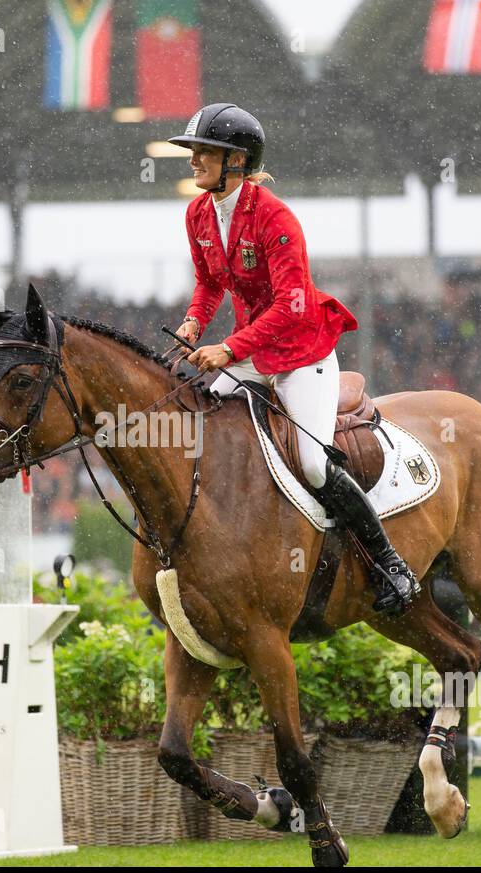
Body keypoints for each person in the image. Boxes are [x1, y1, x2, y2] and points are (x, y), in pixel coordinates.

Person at [168, 103, 420, 614]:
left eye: (204, 152)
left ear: (235, 161)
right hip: (252, 351)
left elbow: (291, 305)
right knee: (200, 420)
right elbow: (209, 283)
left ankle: (389, 562)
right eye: (193, 151)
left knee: (312, 462)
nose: (193, 160)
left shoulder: (274, 217)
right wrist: (196, 320)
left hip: (302, 353)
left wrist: (229, 348)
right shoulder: (197, 214)